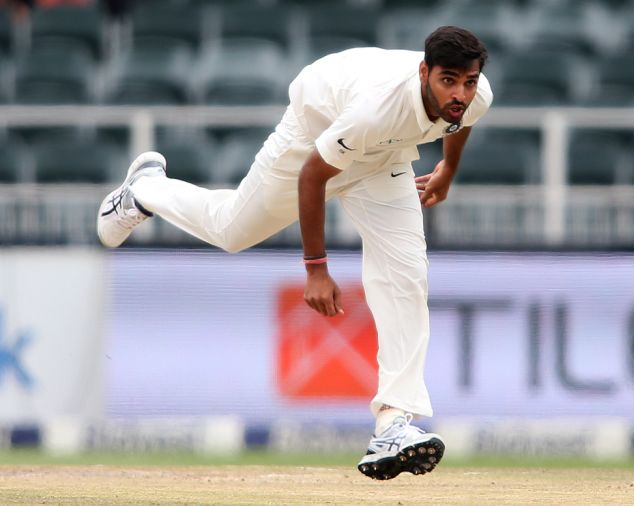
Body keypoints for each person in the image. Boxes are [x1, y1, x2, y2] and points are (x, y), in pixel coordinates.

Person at [96, 26, 492, 480]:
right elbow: (313, 175)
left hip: (384, 156)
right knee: (231, 231)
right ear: (424, 72)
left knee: (406, 276)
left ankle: (394, 423)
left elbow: (463, 119)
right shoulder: (377, 108)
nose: (460, 92)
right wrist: (316, 269)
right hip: (315, 135)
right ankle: (147, 188)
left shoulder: (475, 94)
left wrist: (447, 170)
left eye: (469, 81)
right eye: (448, 80)